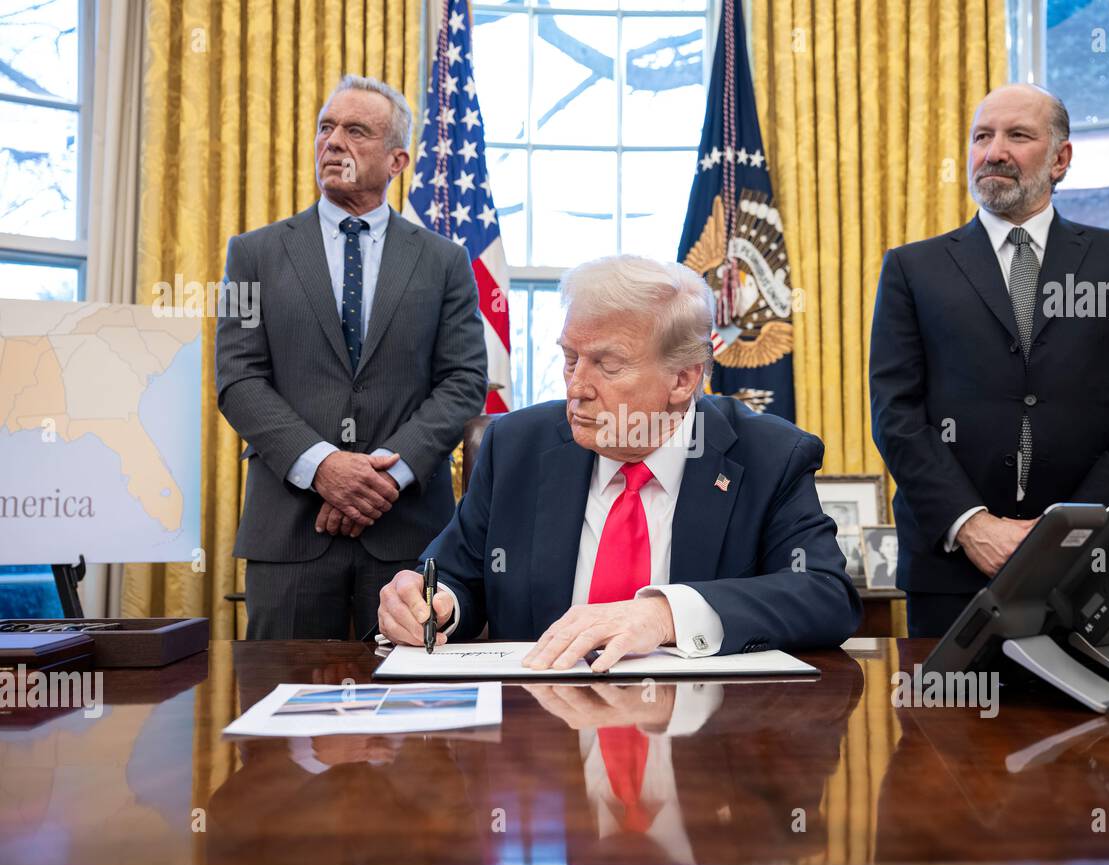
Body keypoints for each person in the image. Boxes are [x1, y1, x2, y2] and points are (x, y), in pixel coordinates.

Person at [377, 254, 862, 669]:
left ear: (683, 379)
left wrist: (665, 615)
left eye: (608, 366)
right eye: (570, 359)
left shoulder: (768, 456)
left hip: (706, 746)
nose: (576, 387)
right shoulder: (516, 446)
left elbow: (823, 596)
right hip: (542, 743)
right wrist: (432, 603)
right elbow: (458, 576)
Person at [868, 83, 1109, 637]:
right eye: (982, 136)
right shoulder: (911, 270)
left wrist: (1075, 530)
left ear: (1060, 158)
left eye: (1018, 135)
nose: (994, 152)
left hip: (1093, 567)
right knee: (949, 722)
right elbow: (896, 413)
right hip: (951, 570)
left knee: (1096, 723)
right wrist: (971, 525)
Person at [216, 75, 487, 640]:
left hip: (408, 533)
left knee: (412, 720)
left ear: (397, 160)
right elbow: (239, 379)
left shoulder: (446, 262)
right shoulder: (252, 254)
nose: (333, 141)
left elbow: (463, 381)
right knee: (278, 712)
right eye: (326, 127)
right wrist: (324, 468)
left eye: (355, 130)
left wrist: (385, 476)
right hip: (290, 530)